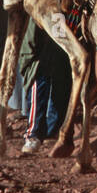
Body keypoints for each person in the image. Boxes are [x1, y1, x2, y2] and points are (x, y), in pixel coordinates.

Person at [17, 18, 72, 154]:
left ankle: (53, 130)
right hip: (41, 42)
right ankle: (34, 134)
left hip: (60, 25)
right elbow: (31, 38)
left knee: (62, 83)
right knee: (39, 83)